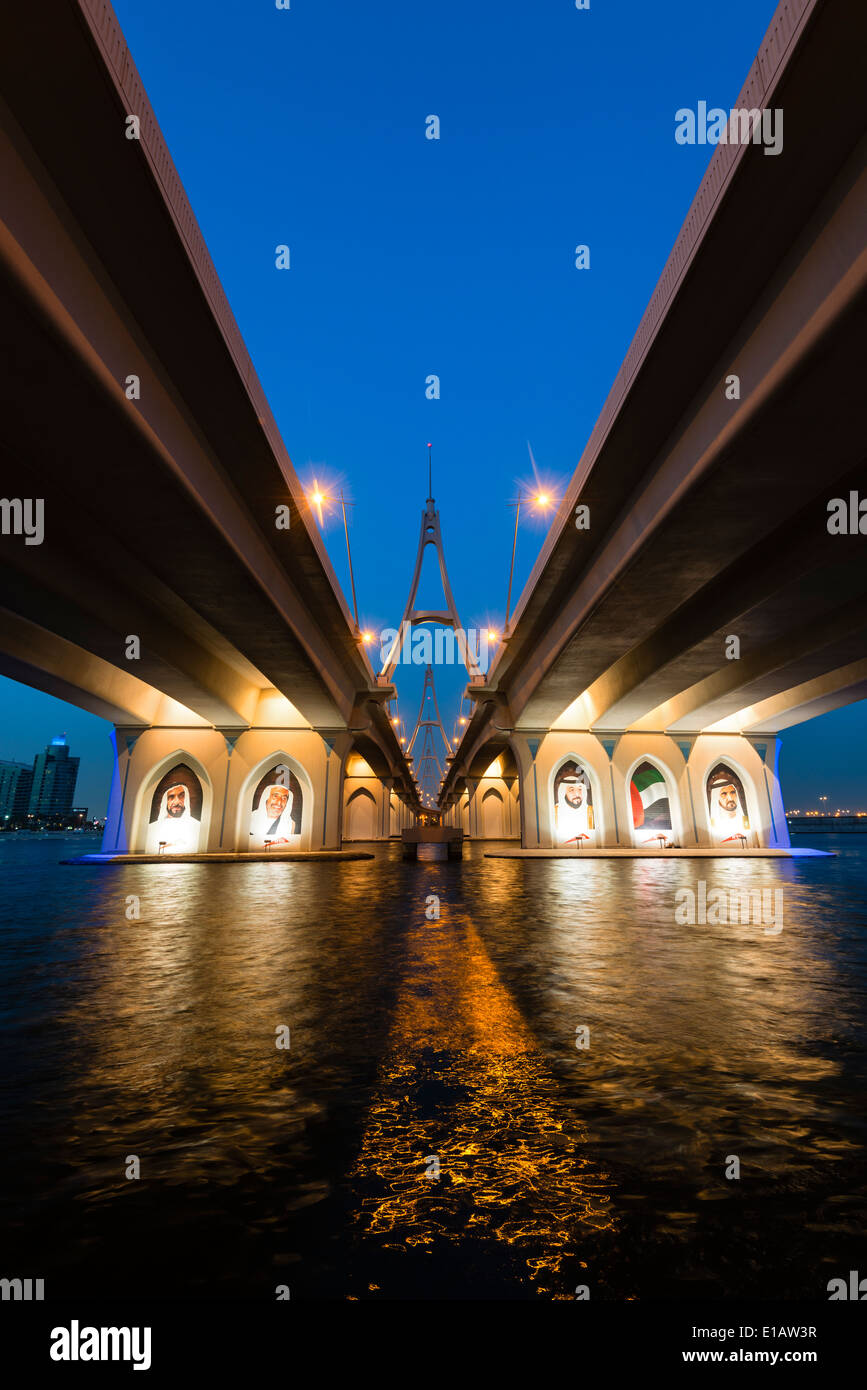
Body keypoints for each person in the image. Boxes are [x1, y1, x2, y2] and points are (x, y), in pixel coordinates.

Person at [146, 782, 201, 853]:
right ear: (165, 801)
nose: (177, 802)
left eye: (181, 796)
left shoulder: (197, 826)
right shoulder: (152, 828)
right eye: (171, 797)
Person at [708, 769, 750, 843]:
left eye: (733, 792)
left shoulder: (743, 820)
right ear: (717, 797)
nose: (730, 798)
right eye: (724, 794)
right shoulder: (716, 825)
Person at [250, 782, 296, 847]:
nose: (279, 802)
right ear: (266, 798)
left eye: (284, 798)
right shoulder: (250, 818)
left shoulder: (291, 824)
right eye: (275, 796)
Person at [556, 775, 594, 843]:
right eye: (571, 790)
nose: (577, 794)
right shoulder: (556, 812)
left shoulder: (589, 811)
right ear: (563, 793)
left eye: (580, 789)